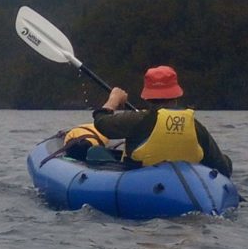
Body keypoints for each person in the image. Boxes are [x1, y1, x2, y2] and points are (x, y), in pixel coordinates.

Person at [91, 65, 233, 175]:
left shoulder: (138, 120)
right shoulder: (195, 126)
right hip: (186, 186)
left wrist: (113, 100)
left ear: (147, 96)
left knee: (95, 152)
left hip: (141, 184)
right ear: (176, 96)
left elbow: (101, 122)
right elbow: (223, 168)